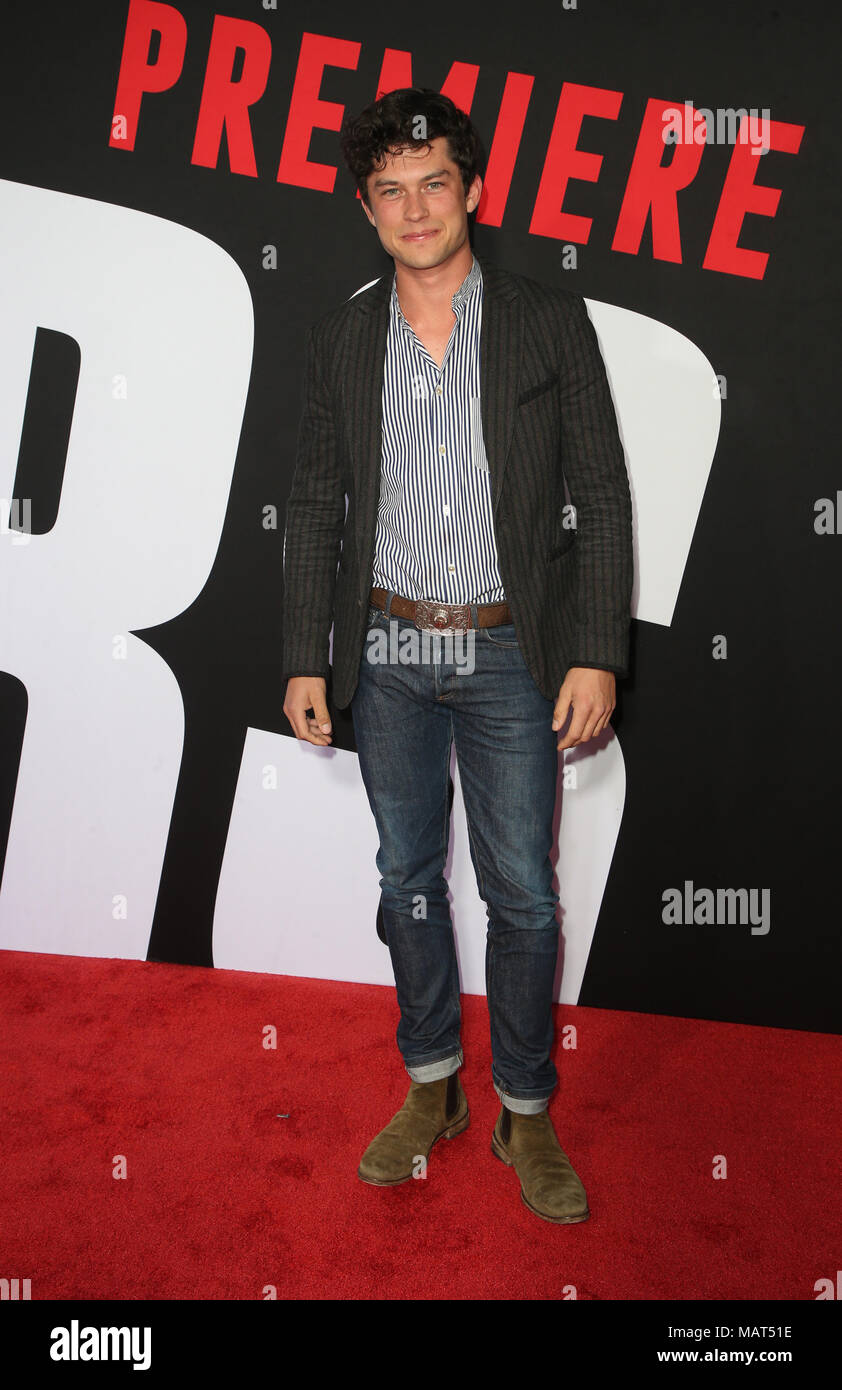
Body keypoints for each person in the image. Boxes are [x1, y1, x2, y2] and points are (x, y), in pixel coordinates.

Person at [282, 88, 633, 1224]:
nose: (414, 206)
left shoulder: (545, 323)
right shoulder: (342, 337)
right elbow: (313, 504)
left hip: (509, 650)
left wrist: (594, 651)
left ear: (472, 189)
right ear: (366, 207)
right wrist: (303, 654)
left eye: (434, 182)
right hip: (382, 650)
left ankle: (524, 1108)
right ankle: (430, 1087)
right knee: (407, 882)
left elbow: (600, 496)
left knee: (523, 893)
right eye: (390, 188)